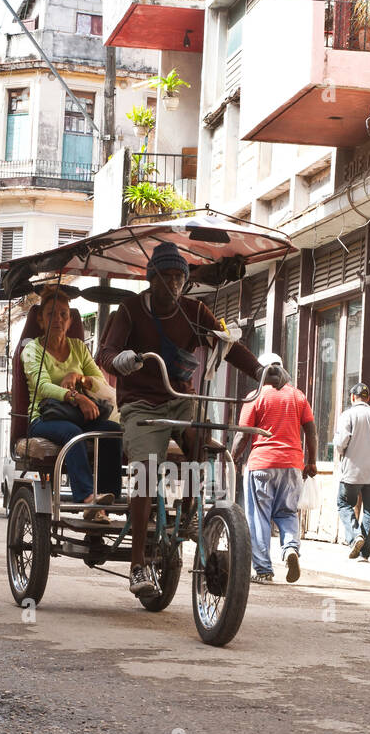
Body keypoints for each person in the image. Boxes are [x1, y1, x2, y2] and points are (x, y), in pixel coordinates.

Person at [99, 241, 263, 598]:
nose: (174, 284)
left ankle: (189, 509)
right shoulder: (128, 311)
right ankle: (138, 563)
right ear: (151, 278)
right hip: (141, 405)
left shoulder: (195, 311)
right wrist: (122, 359)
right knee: (144, 468)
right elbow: (105, 353)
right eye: (167, 277)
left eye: (179, 277)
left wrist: (260, 369)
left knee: (201, 442)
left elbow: (226, 345)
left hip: (180, 401)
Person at [21, 284, 121, 522]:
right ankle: (87, 499)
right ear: (41, 319)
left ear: (69, 319)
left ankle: (108, 501)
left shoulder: (78, 348)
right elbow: (42, 387)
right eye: (51, 314)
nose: (58, 319)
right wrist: (76, 396)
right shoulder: (33, 349)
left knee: (113, 432)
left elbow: (98, 379)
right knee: (73, 433)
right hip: (44, 418)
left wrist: (79, 378)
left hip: (77, 416)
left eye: (63, 314)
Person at [232, 360, 318, 584]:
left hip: (262, 465)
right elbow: (311, 430)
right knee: (287, 512)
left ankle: (263, 570)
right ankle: (290, 548)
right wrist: (312, 461)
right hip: (292, 465)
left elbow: (243, 434)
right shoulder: (298, 396)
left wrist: (231, 457)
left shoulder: (255, 396)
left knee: (258, 517)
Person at [334, 383, 370, 562]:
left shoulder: (348, 415)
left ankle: (355, 536)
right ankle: (364, 553)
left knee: (343, 503)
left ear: (352, 397)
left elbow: (340, 443)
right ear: (368, 398)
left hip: (352, 472)